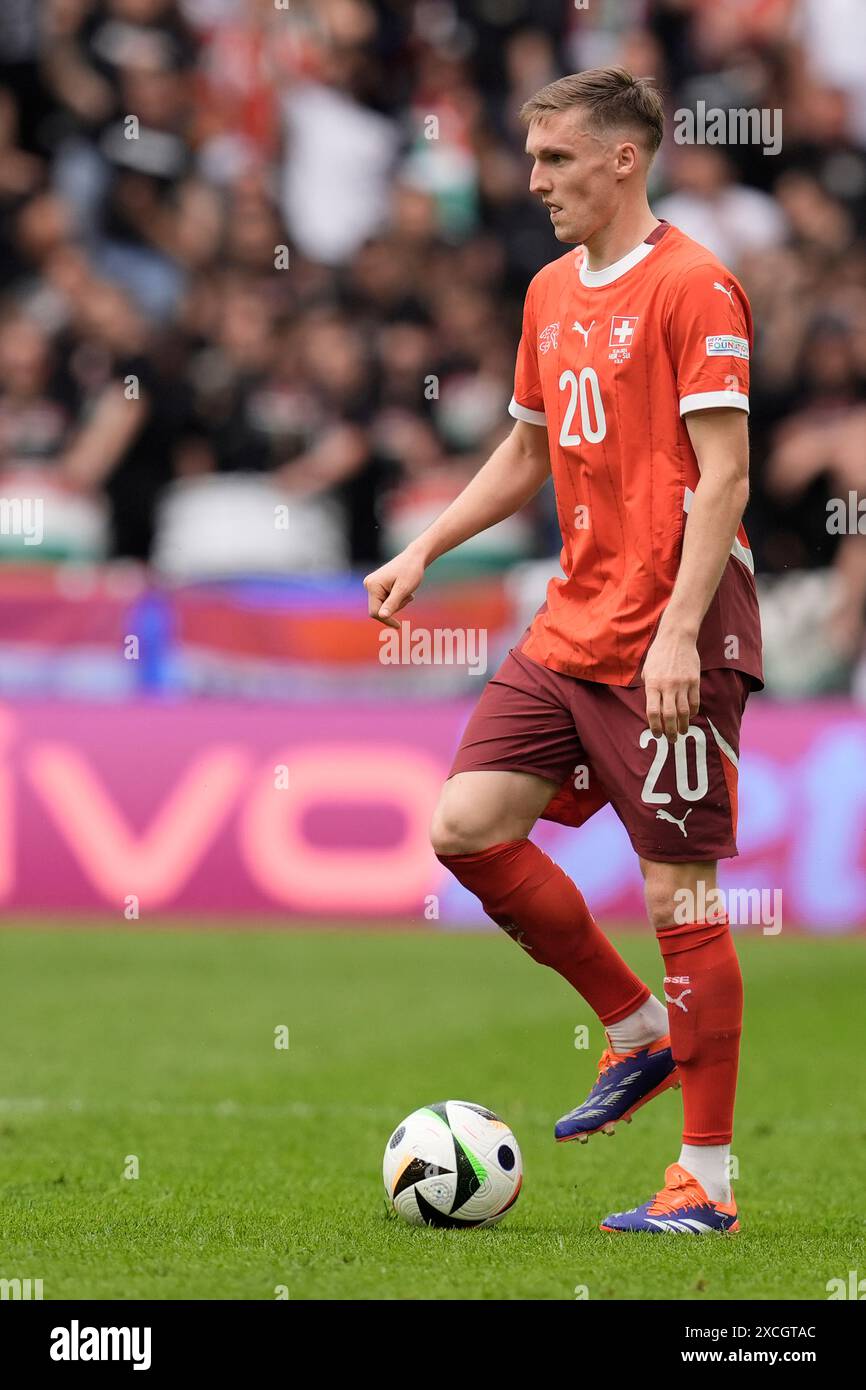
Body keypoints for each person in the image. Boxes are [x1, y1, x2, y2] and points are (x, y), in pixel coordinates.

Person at [364, 67, 763, 1235]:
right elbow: (526, 450)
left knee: (680, 891)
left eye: (554, 159)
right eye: (532, 158)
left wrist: (679, 631)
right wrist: (425, 546)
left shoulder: (695, 285)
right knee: (465, 826)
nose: (533, 180)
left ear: (622, 159)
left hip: (676, 630)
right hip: (572, 621)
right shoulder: (547, 290)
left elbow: (724, 474)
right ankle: (634, 1027)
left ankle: (705, 1183)